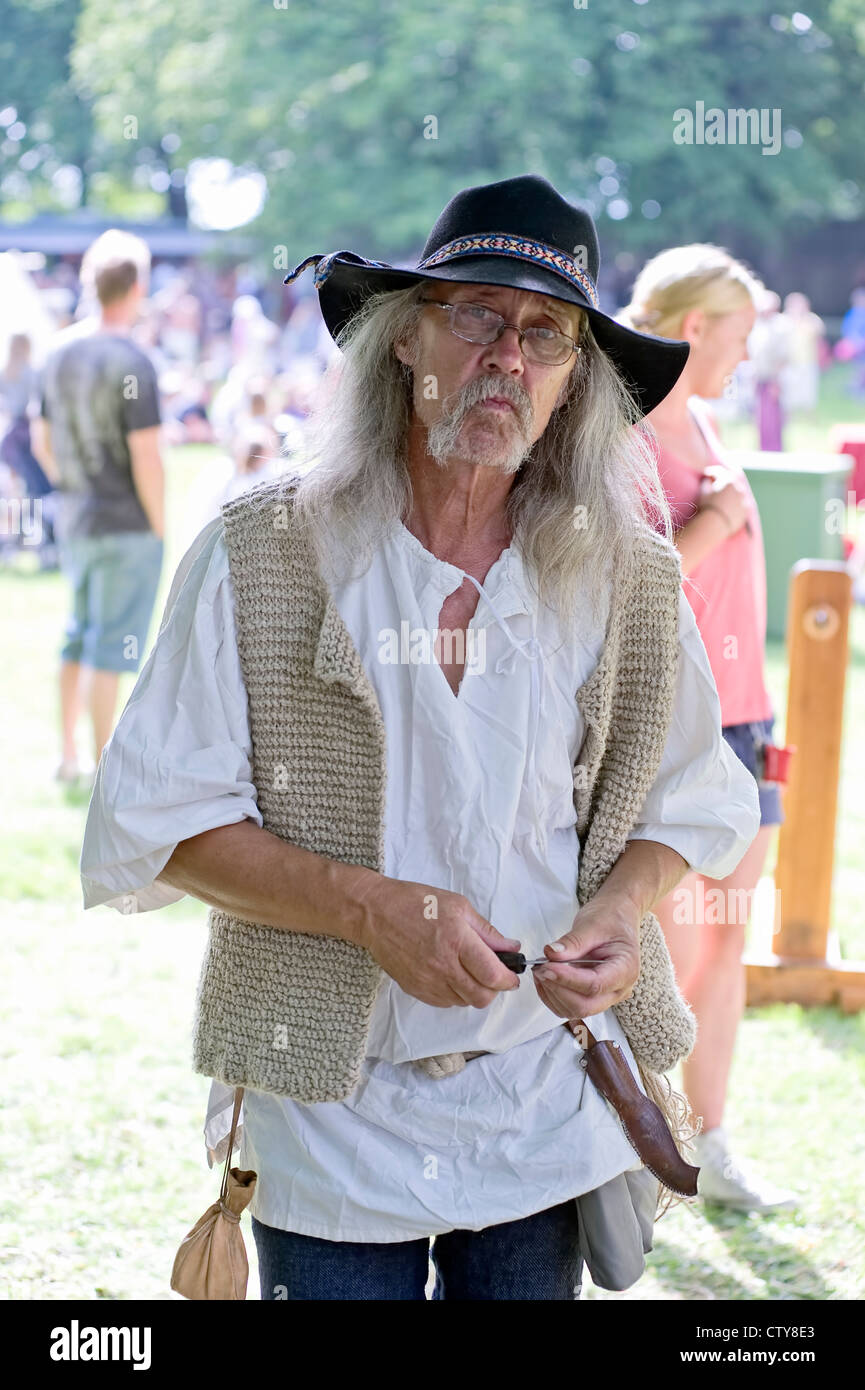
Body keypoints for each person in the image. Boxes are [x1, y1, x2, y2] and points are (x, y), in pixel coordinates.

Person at [80, 175, 762, 1301]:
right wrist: (367, 907)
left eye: (545, 335)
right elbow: (156, 819)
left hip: (541, 1102)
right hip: (331, 1108)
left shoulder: (626, 572)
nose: (507, 356)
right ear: (405, 339)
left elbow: (692, 797)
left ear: (573, 383)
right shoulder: (269, 549)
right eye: (476, 315)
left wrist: (620, 908)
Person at [620, 245, 797, 1212]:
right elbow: (628, 598)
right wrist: (719, 524)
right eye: (739, 335)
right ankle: (648, 1150)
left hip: (747, 721)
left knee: (730, 940)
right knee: (672, 957)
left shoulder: (708, 424)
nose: (747, 354)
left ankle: (712, 1144)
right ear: (693, 329)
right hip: (676, 732)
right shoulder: (627, 438)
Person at [35, 230, 165, 785]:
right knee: (113, 645)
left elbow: (42, 439)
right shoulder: (133, 359)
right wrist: (161, 524)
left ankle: (68, 755)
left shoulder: (57, 352)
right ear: (135, 286)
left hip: (77, 515)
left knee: (78, 632)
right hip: (126, 522)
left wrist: (74, 485)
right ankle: (103, 766)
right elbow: (147, 455)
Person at [0, 332, 58, 569]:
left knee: (14, 495)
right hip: (29, 435)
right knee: (39, 492)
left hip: (11, 436)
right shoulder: (32, 373)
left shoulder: (5, 372)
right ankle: (43, 544)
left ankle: (10, 543)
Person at [779, 292, 825, 416]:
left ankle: (809, 415)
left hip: (808, 362)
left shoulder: (811, 319)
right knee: (788, 391)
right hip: (789, 362)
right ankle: (789, 414)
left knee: (809, 391)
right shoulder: (784, 320)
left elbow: (819, 332)